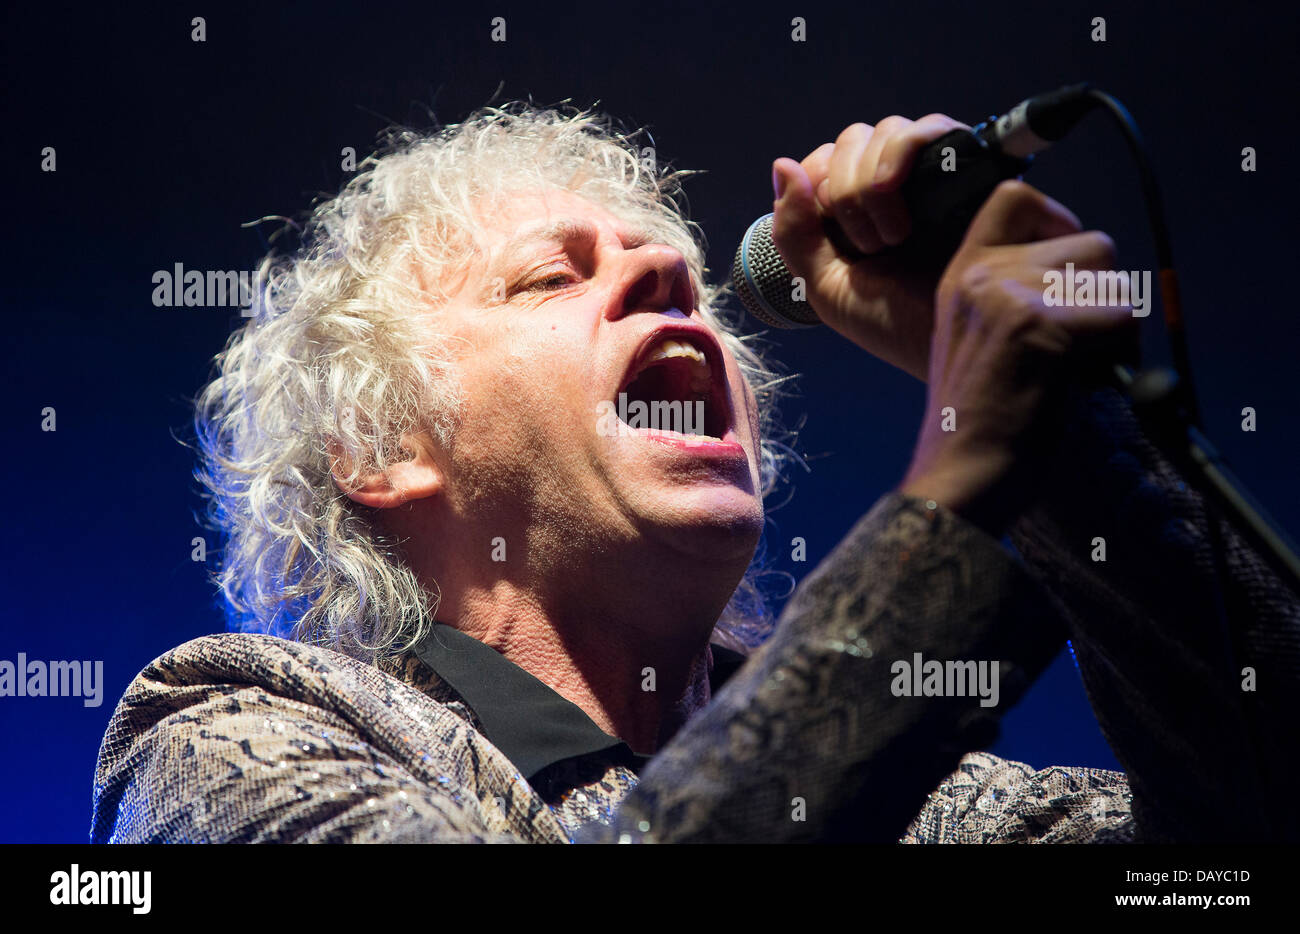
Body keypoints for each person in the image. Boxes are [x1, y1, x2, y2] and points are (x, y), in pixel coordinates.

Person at [91, 103, 1298, 843]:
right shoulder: (230, 729)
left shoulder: (936, 808)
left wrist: (1062, 447)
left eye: (670, 268)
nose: (670, 279)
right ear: (383, 448)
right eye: (550, 277)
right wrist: (950, 493)